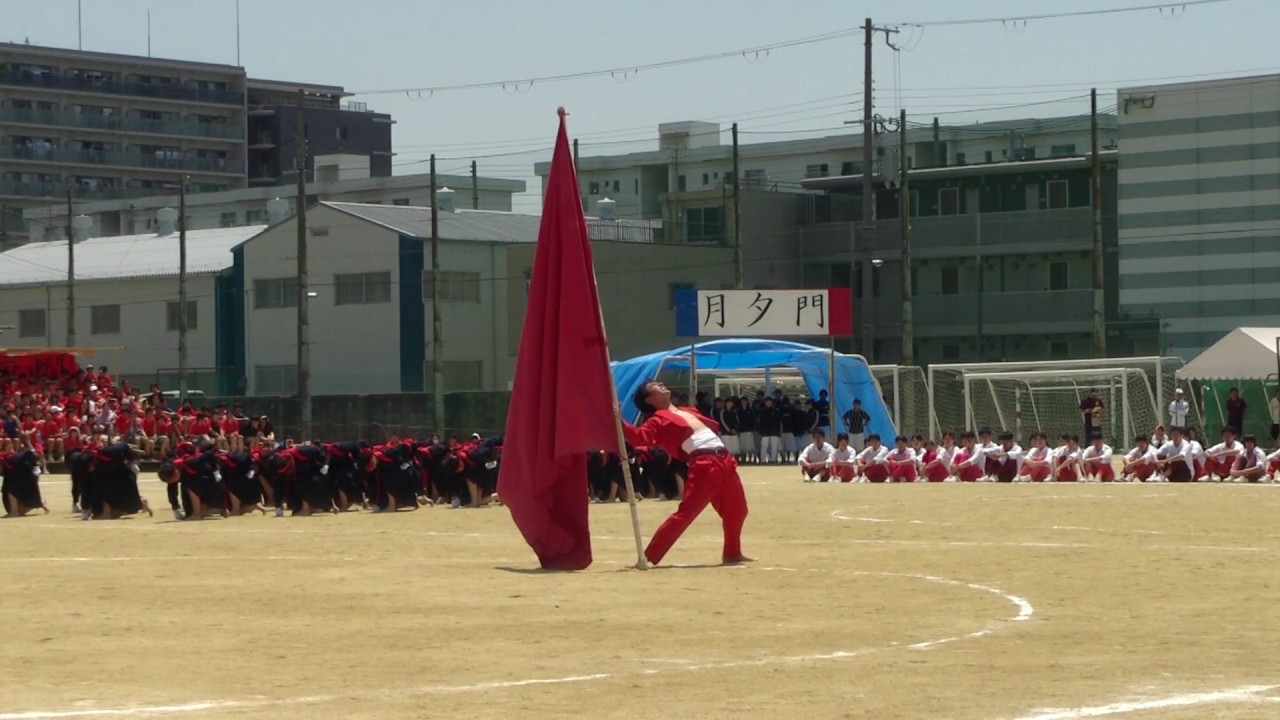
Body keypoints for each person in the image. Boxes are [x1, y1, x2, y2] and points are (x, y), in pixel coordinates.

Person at [623, 381, 751, 567]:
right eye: (655, 386)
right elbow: (638, 437)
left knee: (737, 510)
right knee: (686, 514)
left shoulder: (686, 410)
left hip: (724, 460)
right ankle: (649, 557)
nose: (661, 384)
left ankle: (732, 553)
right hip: (705, 463)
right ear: (650, 399)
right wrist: (618, 420)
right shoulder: (656, 420)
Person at [756, 396, 783, 464]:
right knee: (764, 446)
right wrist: (760, 431)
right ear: (765, 402)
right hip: (765, 432)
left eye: (770, 401)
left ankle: (773, 460)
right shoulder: (762, 411)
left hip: (774, 432)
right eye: (767, 401)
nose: (768, 402)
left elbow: (779, 422)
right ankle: (763, 460)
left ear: (772, 402)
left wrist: (779, 431)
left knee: (774, 447)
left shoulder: (776, 411)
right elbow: (759, 422)